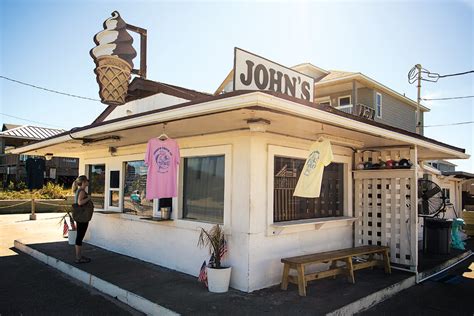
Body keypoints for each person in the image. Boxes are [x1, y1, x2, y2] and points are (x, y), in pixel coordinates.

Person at [72, 175, 93, 263]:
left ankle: (79, 256)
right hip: (82, 217)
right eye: (87, 180)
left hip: (80, 216)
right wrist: (88, 198)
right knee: (80, 236)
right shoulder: (82, 191)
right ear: (84, 182)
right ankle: (78, 257)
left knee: (79, 236)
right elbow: (80, 202)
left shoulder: (79, 190)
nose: (88, 181)